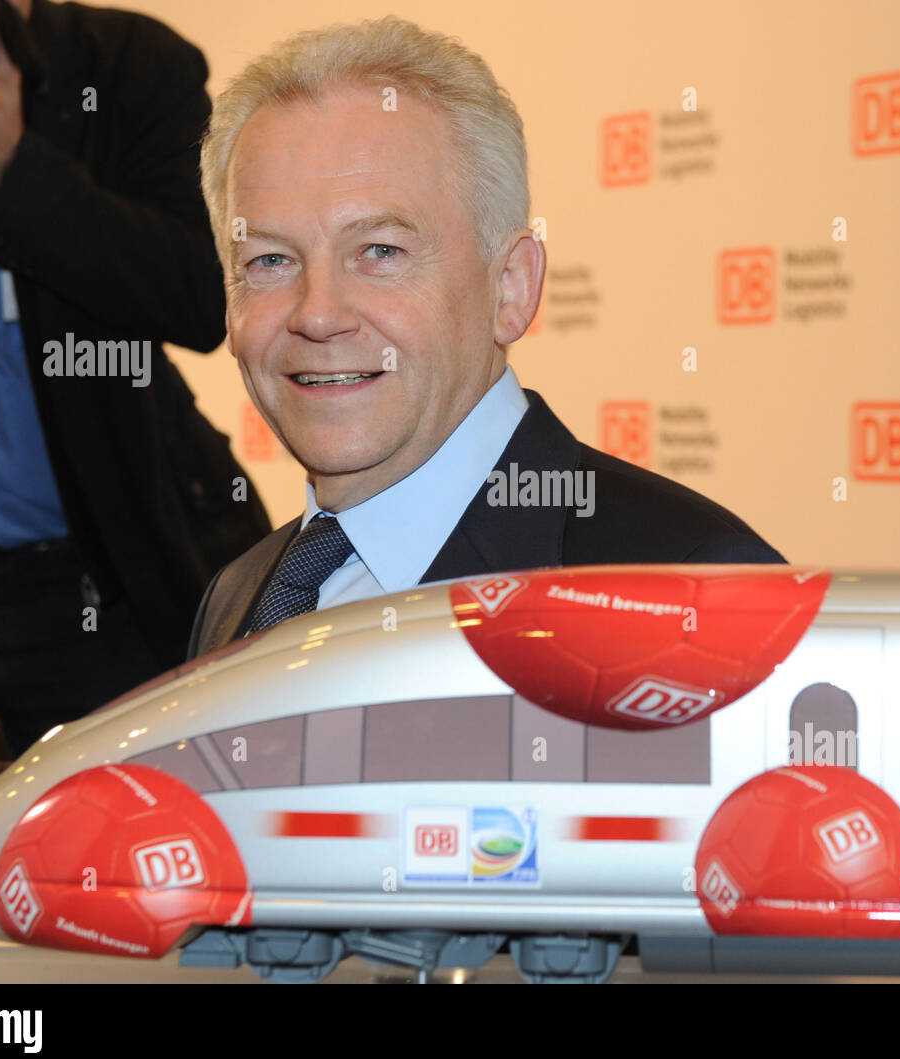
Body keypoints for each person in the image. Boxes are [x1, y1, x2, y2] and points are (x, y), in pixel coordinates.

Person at [188, 15, 783, 659]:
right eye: (270, 261)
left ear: (511, 288)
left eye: (381, 251)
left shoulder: (686, 590)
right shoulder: (237, 594)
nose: (319, 314)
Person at [0, 0, 271, 942]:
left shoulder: (134, 66)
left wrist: (15, 171)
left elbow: (201, 294)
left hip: (100, 580)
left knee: (106, 911)